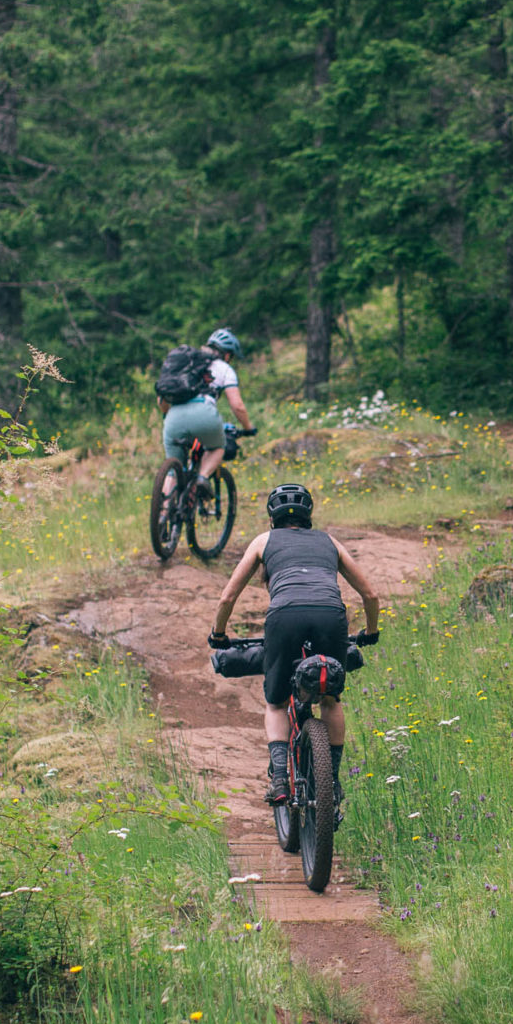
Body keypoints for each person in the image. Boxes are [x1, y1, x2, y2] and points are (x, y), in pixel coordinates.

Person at [209, 484, 381, 806]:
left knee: (276, 703)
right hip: (331, 617)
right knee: (330, 698)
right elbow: (370, 595)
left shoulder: (264, 541)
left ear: (272, 517)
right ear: (309, 515)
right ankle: (331, 780)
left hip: (284, 618)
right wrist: (370, 632)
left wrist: (218, 634)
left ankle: (279, 780)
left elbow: (227, 596)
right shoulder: (329, 541)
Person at [158, 328, 255, 504]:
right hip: (204, 414)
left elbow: (162, 398)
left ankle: (163, 516)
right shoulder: (224, 368)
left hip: (173, 417)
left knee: (173, 473)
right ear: (227, 355)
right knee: (218, 447)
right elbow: (237, 405)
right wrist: (248, 428)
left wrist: (167, 416)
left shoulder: (185, 363)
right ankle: (203, 477)